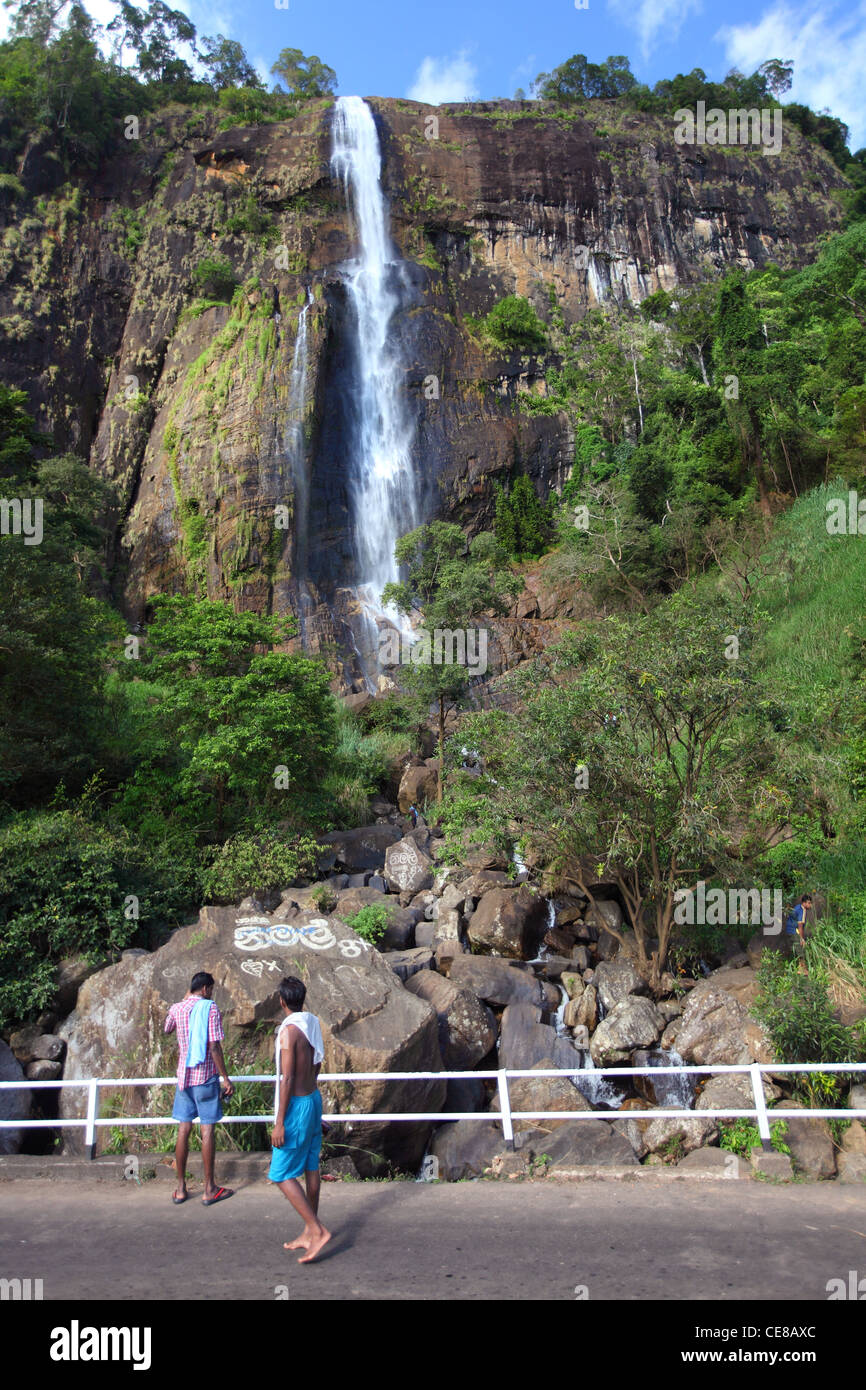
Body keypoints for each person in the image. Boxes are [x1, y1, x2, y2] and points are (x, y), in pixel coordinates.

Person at [269, 976, 331, 1264]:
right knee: (310, 1165)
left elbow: (287, 1077)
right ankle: (309, 1230)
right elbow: (317, 1063)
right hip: (313, 1099)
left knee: (280, 1174)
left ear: (282, 1001)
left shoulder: (288, 1032)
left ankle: (317, 1230)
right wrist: (314, 1113)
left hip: (296, 1105)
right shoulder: (312, 1023)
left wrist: (280, 1122)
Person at [164, 971, 234, 1206]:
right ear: (205, 989)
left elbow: (167, 1028)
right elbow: (214, 1046)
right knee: (207, 1131)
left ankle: (181, 1188)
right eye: (211, 989)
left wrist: (184, 999)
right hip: (204, 1077)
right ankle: (209, 1188)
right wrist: (225, 1078)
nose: (211, 994)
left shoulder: (178, 1008)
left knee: (183, 1130)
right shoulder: (209, 1008)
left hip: (184, 1078)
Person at [784, 894, 813, 974]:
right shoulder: (802, 910)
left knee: (795, 949)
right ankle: (801, 969)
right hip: (794, 931)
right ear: (804, 903)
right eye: (809, 903)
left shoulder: (797, 907)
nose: (810, 905)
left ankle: (797, 967)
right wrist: (801, 938)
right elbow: (800, 926)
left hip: (789, 930)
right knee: (800, 949)